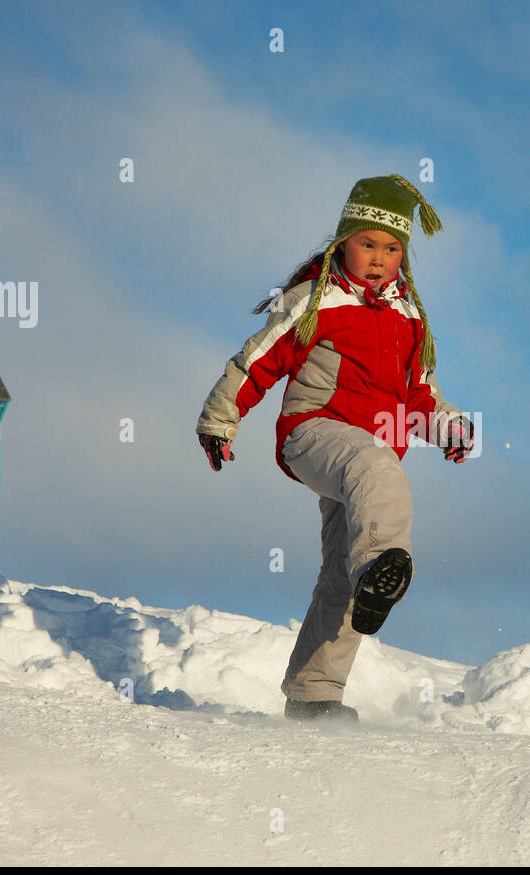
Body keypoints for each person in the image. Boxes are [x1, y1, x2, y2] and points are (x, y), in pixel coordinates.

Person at [196, 175, 473, 722]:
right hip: (315, 431)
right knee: (378, 468)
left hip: (366, 459)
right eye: (367, 243)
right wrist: (220, 419)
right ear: (343, 240)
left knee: (343, 576)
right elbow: (258, 360)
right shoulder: (316, 299)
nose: (377, 258)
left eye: (391, 248)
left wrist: (448, 426)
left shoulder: (409, 315)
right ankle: (381, 564)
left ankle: (313, 693)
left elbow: (419, 393)